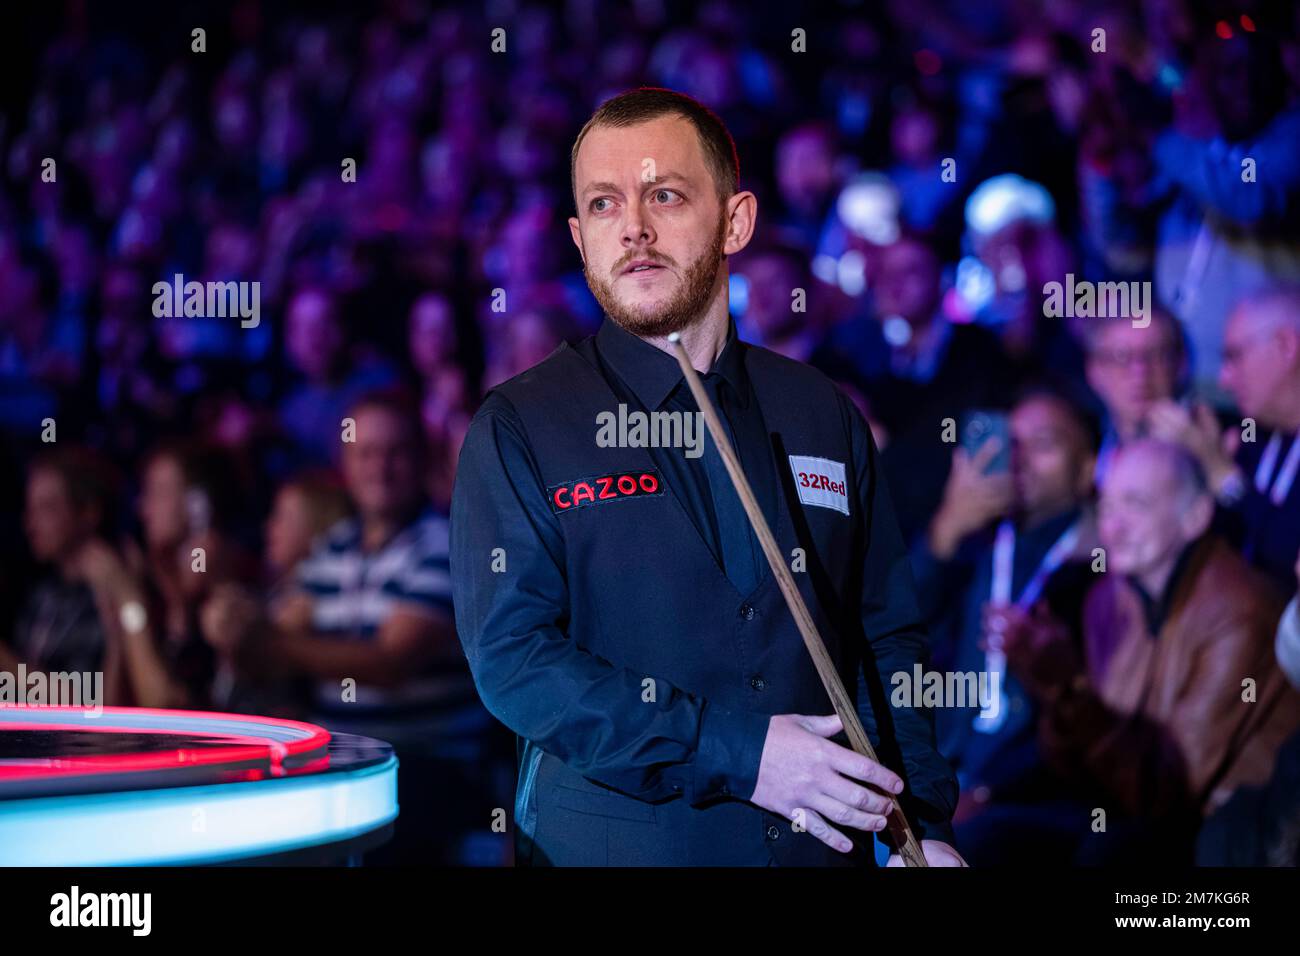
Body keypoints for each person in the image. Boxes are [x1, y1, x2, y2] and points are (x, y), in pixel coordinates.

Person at [450, 88, 961, 867]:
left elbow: (884, 637)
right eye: (603, 204)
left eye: (664, 195)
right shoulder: (521, 426)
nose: (635, 229)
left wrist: (918, 824)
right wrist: (744, 753)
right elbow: (516, 661)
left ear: (736, 221)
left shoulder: (822, 411)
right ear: (579, 239)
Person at [999, 440, 1300, 864]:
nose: (1113, 528)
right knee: (991, 838)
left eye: (1135, 505)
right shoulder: (1107, 599)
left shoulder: (1240, 612)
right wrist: (1051, 688)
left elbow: (1168, 795)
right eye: (1106, 508)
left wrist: (1073, 686)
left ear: (1195, 517)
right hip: (1125, 810)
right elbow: (1079, 771)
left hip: (1217, 831)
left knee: (1110, 852)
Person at [256, 390, 501, 865]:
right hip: (342, 771)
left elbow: (391, 662)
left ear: (422, 459)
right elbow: (269, 640)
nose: (380, 468)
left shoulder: (447, 542)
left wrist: (273, 642)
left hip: (429, 772)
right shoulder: (333, 548)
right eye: (365, 453)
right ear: (344, 463)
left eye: (395, 453)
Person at [912, 391, 1100, 865]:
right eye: (1011, 442)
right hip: (951, 775)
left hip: (1041, 796)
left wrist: (990, 793)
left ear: (1086, 469)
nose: (1020, 459)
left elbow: (1088, 714)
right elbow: (897, 628)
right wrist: (945, 531)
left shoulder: (1101, 566)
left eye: (1044, 444)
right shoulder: (977, 547)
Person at [1149, 288, 1300, 590]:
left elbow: (1288, 557)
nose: (1224, 379)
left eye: (1235, 357)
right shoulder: (1251, 435)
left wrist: (1221, 473)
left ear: (1285, 345)